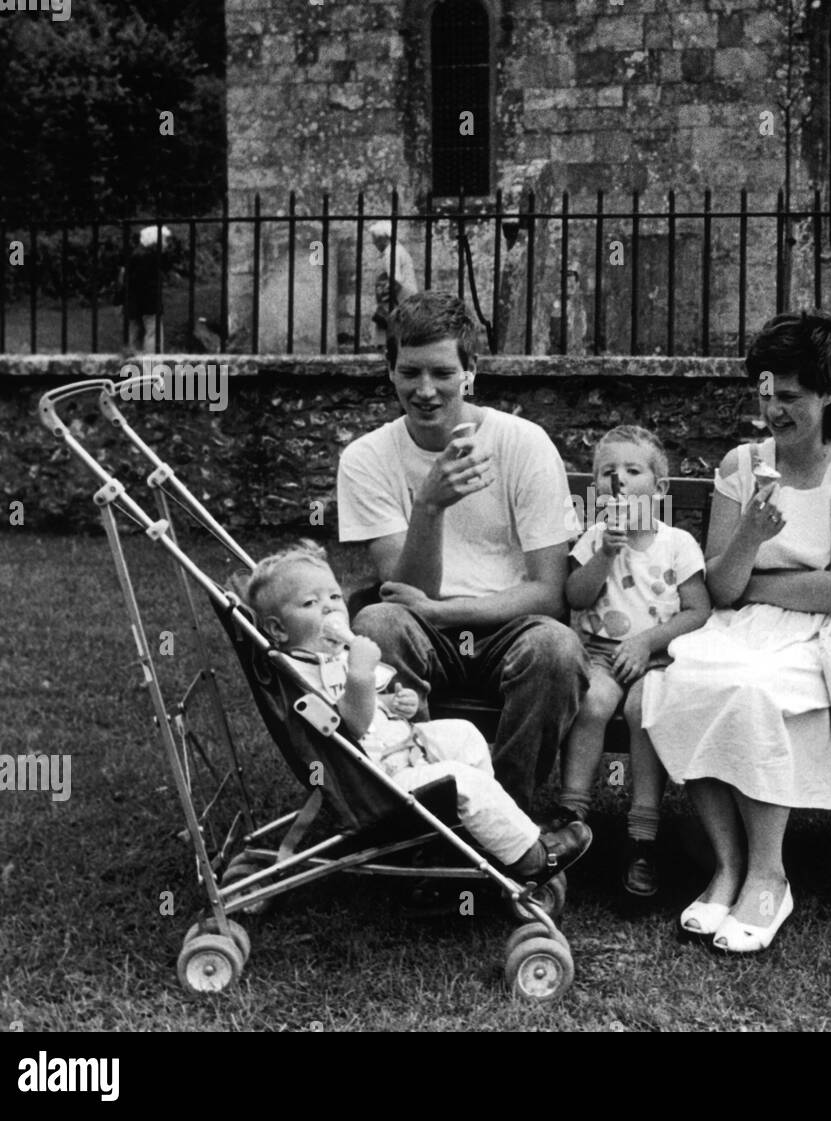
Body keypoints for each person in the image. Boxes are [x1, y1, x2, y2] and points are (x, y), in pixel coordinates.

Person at [641, 309, 831, 953]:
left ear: (830, 393)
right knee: (689, 678)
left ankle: (769, 876)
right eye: (765, 393)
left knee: (757, 690)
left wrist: (749, 576)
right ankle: (727, 868)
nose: (774, 410)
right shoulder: (741, 463)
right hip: (740, 623)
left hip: (824, 633)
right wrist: (751, 539)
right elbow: (721, 590)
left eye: (791, 397)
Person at [336, 291, 588, 812]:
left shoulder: (524, 443)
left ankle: (507, 819)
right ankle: (422, 807)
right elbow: (405, 594)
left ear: (471, 370)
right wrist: (429, 505)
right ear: (389, 371)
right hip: (419, 628)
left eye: (443, 373)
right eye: (410, 372)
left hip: (510, 623)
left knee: (557, 649)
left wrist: (446, 611)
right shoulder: (366, 458)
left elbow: (549, 593)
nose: (425, 391)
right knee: (379, 625)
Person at [235, 541, 592, 880]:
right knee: (459, 779)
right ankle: (530, 858)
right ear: (277, 629)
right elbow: (349, 727)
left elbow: (367, 708)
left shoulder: (328, 657)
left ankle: (480, 833)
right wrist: (359, 675)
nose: (329, 608)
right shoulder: (299, 676)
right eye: (310, 603)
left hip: (401, 752)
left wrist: (392, 703)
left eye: (333, 596)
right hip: (375, 782)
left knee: (465, 735)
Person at [553, 425, 711, 897]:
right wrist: (604, 554)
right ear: (596, 488)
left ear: (659, 489)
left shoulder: (677, 543)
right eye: (607, 473)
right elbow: (574, 596)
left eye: (632, 469)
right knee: (594, 703)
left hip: (657, 659)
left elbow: (699, 611)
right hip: (599, 654)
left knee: (644, 712)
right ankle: (571, 816)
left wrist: (647, 643)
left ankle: (642, 835)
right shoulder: (595, 537)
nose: (617, 480)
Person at [367, 220, 419, 344]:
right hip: (406, 297)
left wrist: (383, 302)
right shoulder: (397, 249)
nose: (374, 243)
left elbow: (395, 280)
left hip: (400, 298)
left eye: (375, 239)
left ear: (384, 238)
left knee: (389, 336)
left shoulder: (392, 252)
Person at [121, 225, 171, 352]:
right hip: (148, 304)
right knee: (153, 333)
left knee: (134, 334)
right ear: (155, 241)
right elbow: (146, 284)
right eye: (164, 240)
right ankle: (152, 365)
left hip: (133, 303)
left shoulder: (136, 254)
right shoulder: (148, 257)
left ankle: (133, 364)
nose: (166, 244)